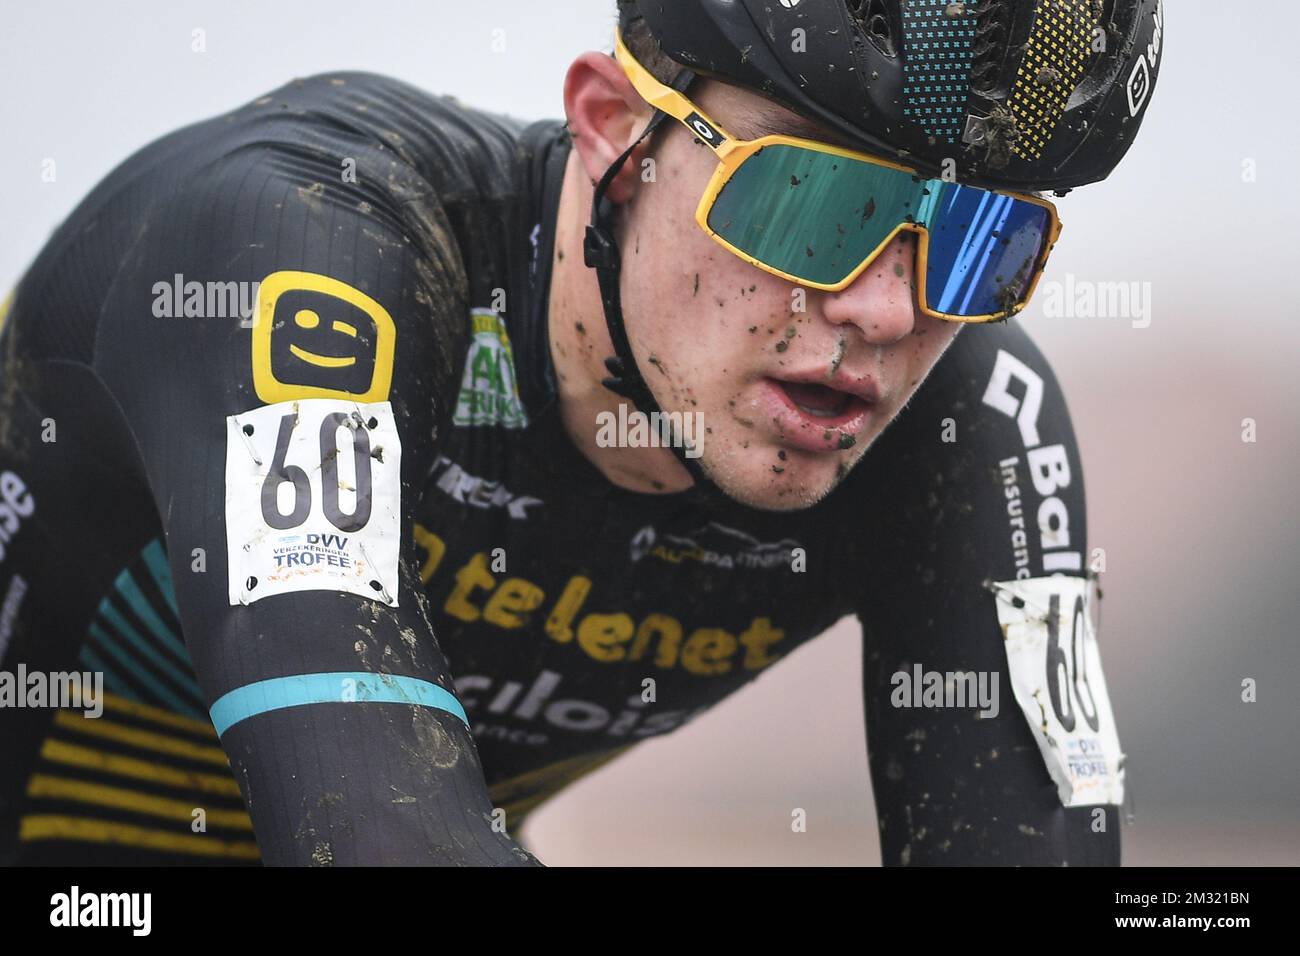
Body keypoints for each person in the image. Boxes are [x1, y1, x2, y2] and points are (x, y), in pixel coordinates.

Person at [0, 0, 1163, 865]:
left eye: (980, 245)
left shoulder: (969, 417)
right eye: (815, 204)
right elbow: (373, 831)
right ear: (611, 131)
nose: (888, 308)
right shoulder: (301, 254)